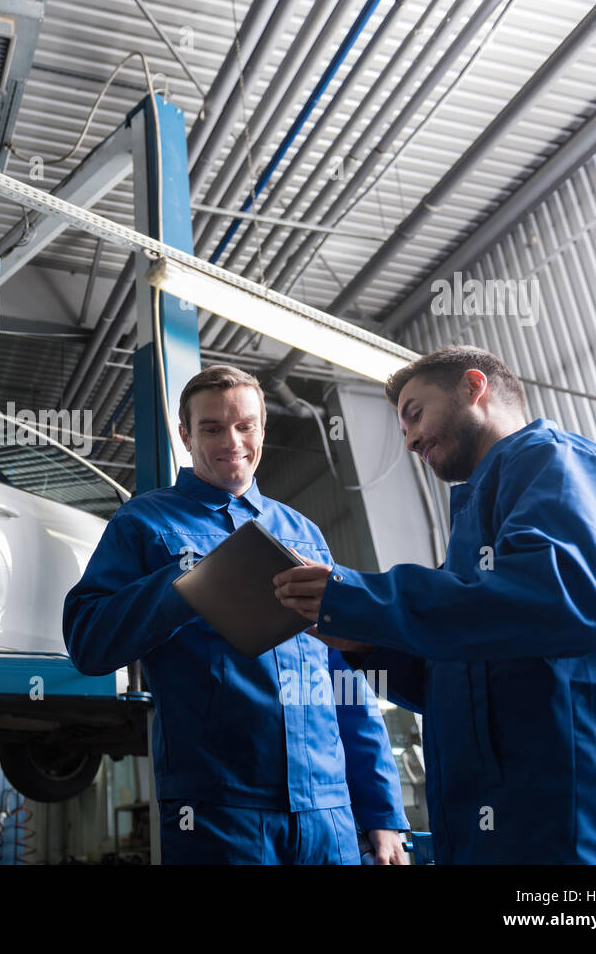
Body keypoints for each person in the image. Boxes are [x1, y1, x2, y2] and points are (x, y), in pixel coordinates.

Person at [273, 345, 596, 863]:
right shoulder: (478, 529)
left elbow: (574, 598)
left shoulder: (559, 462)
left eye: (415, 414)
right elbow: (468, 676)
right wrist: (366, 642)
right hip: (505, 830)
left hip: (590, 829)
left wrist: (363, 597)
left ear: (474, 387)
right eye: (403, 430)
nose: (411, 440)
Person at [64, 365, 410, 864]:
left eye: (246, 425)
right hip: (220, 809)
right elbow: (89, 643)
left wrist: (381, 813)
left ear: (262, 430)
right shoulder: (144, 522)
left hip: (328, 810)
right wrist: (186, 585)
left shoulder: (305, 532)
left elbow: (344, 676)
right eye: (211, 428)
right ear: (185, 436)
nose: (232, 441)